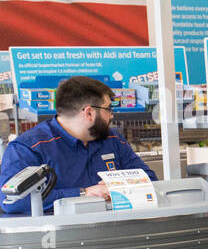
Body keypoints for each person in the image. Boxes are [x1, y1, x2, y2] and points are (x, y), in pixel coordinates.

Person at [0, 76, 156, 215]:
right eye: (108, 109)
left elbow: (149, 180)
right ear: (89, 113)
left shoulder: (113, 140)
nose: (112, 115)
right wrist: (83, 194)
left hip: (113, 232)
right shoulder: (28, 148)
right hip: (59, 238)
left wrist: (117, 187)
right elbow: (10, 200)